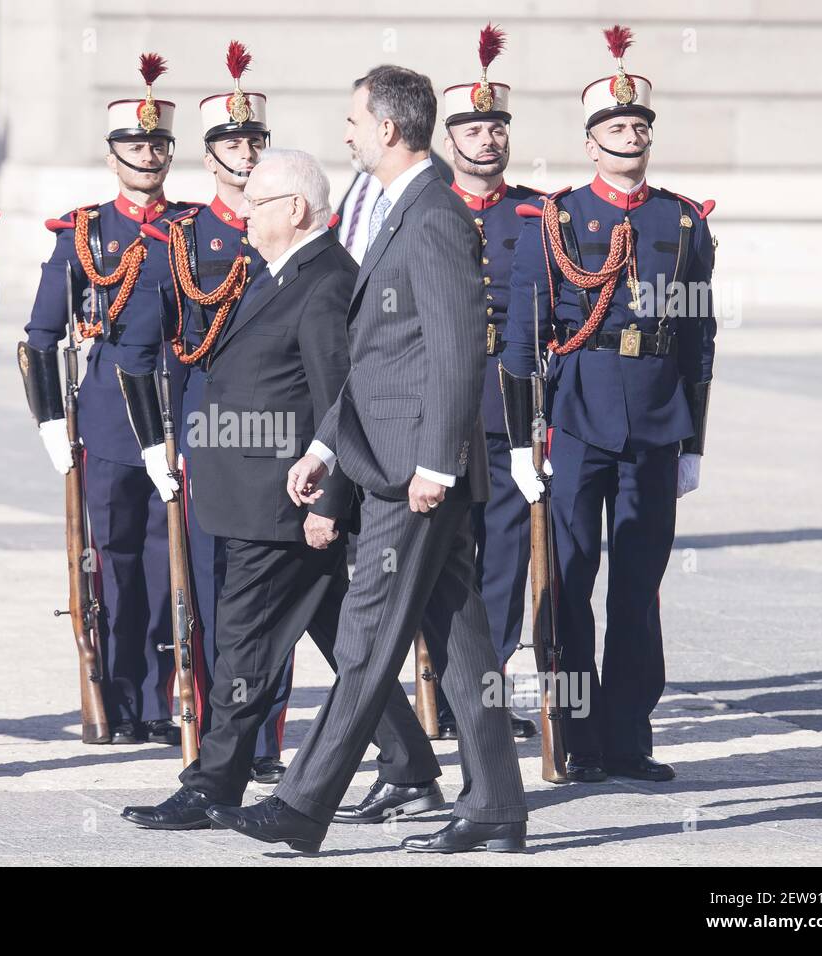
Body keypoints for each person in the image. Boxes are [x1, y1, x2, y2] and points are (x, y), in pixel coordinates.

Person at [208, 65, 528, 855]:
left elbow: (458, 351)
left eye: (354, 120)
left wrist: (438, 464)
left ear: (387, 128)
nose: (346, 133)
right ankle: (495, 807)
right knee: (457, 642)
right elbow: (382, 354)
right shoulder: (395, 209)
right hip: (385, 453)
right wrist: (326, 445)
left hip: (412, 471)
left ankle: (301, 803)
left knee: (365, 637)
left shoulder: (434, 217)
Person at [121, 149, 445, 831]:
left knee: (243, 649)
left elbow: (341, 401)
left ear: (295, 210)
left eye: (256, 200)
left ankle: (214, 784)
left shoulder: (325, 282)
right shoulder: (283, 273)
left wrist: (329, 506)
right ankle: (411, 770)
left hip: (284, 509)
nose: (242, 210)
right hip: (255, 497)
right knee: (343, 643)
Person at [500, 25, 715, 783]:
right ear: (591, 143)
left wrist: (694, 441)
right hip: (580, 412)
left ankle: (628, 737)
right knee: (567, 578)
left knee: (638, 585)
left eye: (640, 125)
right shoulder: (556, 219)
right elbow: (525, 334)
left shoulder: (682, 221)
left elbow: (697, 336)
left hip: (656, 416)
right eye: (617, 126)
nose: (632, 134)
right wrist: (526, 442)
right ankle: (573, 736)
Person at [132, 41, 295, 783]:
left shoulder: (296, 229)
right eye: (231, 142)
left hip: (282, 434)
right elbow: (143, 344)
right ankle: (213, 728)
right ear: (210, 156)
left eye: (255, 141)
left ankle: (264, 738)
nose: (244, 151)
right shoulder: (182, 237)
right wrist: (152, 442)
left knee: (279, 587)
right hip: (207, 429)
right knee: (210, 586)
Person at [20, 54, 191, 745]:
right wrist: (51, 423)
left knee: (166, 555)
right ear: (114, 154)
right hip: (110, 413)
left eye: (156, 145)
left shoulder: (196, 227)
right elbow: (39, 336)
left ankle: (162, 697)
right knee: (113, 560)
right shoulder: (83, 234)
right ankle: (114, 694)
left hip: (178, 407)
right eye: (134, 146)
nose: (146, 156)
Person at [428, 24, 538, 741]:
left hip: (506, 401)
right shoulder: (423, 208)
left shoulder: (537, 214)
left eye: (496, 127)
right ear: (450, 138)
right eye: (473, 128)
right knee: (438, 551)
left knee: (505, 551)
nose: (487, 140)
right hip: (441, 401)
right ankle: (437, 692)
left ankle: (488, 697)